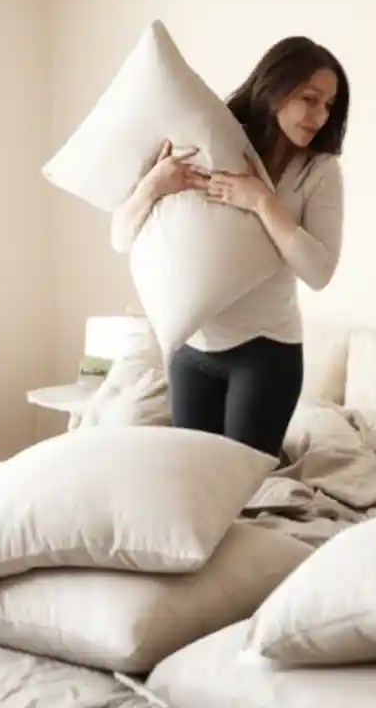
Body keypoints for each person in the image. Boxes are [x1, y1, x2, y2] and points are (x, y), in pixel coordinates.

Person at [110, 36, 349, 458]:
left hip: (266, 353)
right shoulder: (210, 142)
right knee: (196, 481)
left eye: (328, 104)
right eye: (309, 99)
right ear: (276, 87)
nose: (319, 115)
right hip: (191, 349)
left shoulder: (319, 171)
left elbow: (320, 273)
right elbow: (120, 237)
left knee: (241, 487)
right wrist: (153, 185)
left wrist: (262, 202)